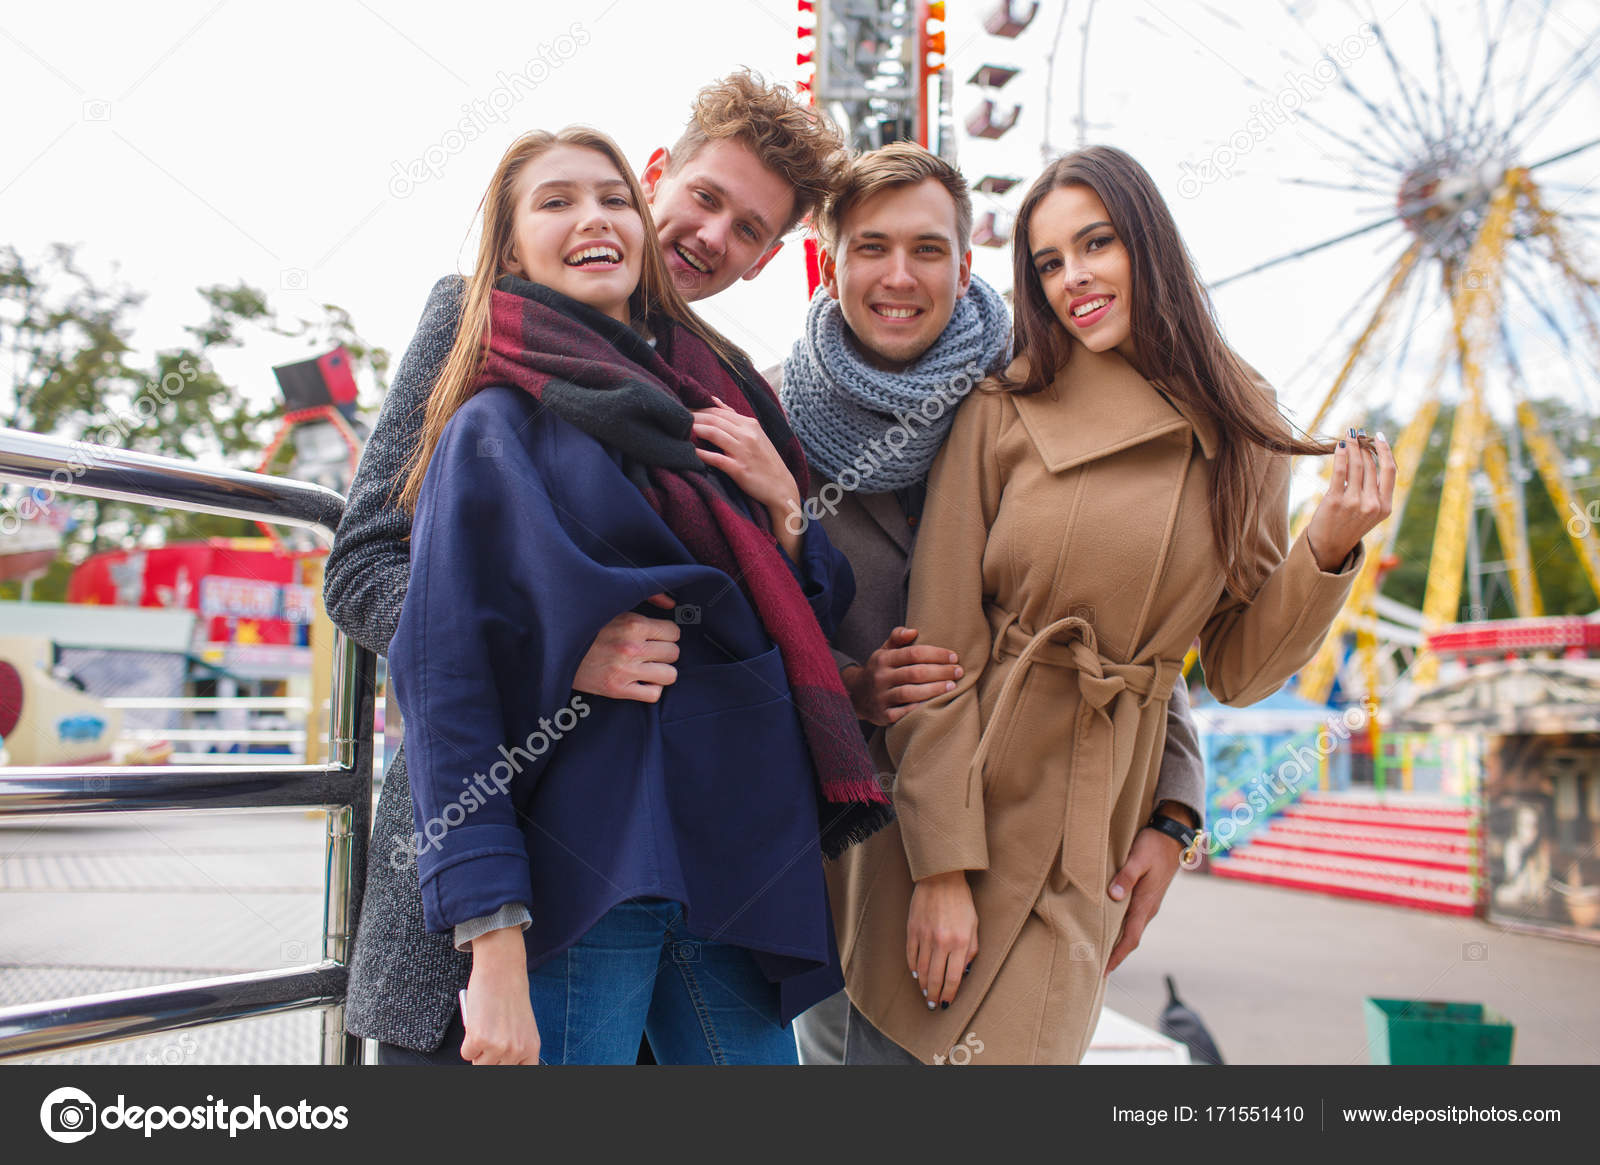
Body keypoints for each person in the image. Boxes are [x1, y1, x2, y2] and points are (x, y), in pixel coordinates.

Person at [323, 73, 851, 1064]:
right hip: (521, 811)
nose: (709, 235)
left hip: (698, 843)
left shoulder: (731, 384)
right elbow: (365, 568)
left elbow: (794, 611)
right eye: (703, 198)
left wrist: (787, 504)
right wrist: (559, 648)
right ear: (659, 176)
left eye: (745, 229)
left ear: (765, 259)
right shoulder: (482, 322)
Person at [831, 145, 1397, 1064]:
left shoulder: (1243, 422)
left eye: (1096, 244)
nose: (1073, 280)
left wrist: (1327, 545)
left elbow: (1242, 669)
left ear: (1149, 243)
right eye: (1048, 263)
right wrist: (939, 866)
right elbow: (942, 651)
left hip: (1091, 832)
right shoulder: (1003, 406)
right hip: (954, 822)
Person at [771, 141, 1207, 1064]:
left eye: (928, 249)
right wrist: (846, 686)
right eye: (871, 248)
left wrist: (1174, 809)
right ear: (829, 258)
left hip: (1015, 847)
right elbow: (720, 644)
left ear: (967, 263)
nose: (900, 276)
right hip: (828, 840)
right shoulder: (769, 420)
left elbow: (1137, 611)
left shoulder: (1051, 388)